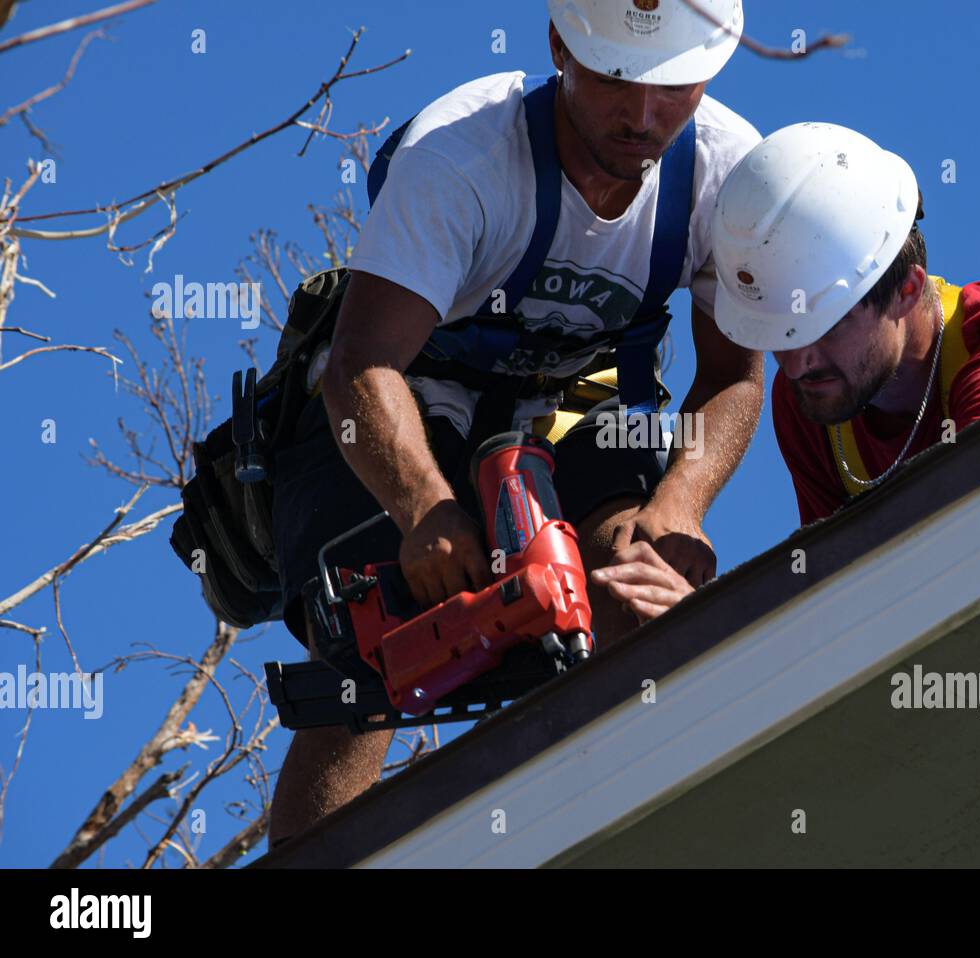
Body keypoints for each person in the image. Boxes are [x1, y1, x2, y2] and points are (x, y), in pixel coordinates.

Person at [267, 0, 764, 847]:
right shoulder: (460, 156)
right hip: (411, 391)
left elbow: (734, 377)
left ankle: (631, 833)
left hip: (574, 397)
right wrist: (425, 507)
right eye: (615, 79)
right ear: (560, 45)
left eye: (672, 87)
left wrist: (681, 505)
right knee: (376, 644)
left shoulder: (726, 173)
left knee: (637, 581)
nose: (643, 116)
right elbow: (363, 365)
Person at [710, 122, 980, 525]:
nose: (797, 365)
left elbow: (978, 548)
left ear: (905, 290)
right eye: (780, 335)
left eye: (825, 328)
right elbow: (843, 584)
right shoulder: (814, 398)